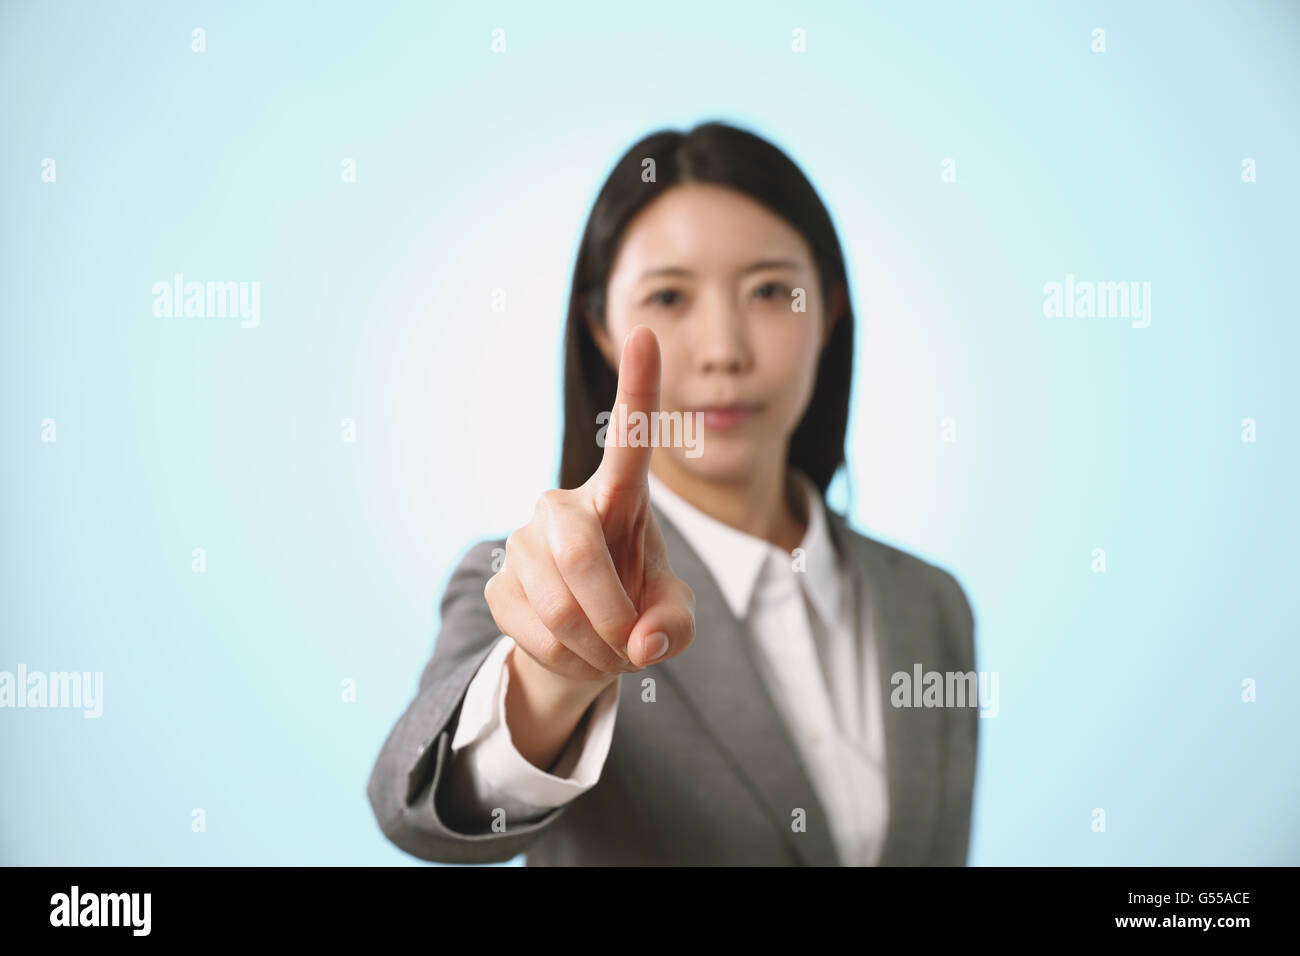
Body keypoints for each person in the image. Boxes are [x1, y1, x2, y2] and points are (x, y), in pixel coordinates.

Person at [367, 120, 977, 865]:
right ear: (598, 324)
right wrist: (553, 675)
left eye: (770, 290)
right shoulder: (533, 585)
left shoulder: (931, 604)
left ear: (829, 311)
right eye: (668, 296)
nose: (724, 351)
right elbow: (419, 806)